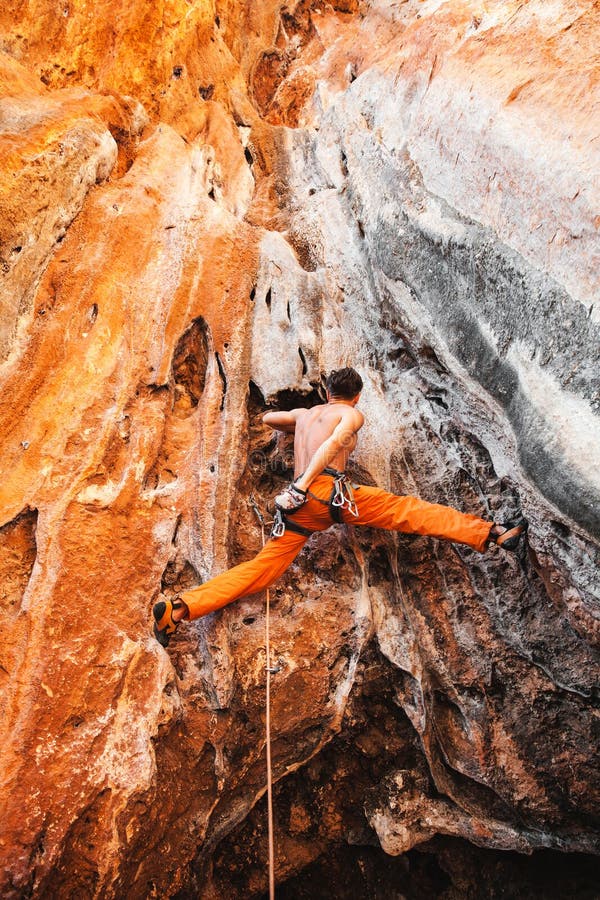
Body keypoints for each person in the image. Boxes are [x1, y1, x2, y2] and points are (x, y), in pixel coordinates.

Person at [153, 367, 527, 646]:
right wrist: (305, 482)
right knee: (408, 511)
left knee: (261, 570)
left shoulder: (304, 416)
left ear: (327, 390)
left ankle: (180, 609)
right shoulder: (351, 414)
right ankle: (492, 532)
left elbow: (268, 418)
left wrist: (299, 422)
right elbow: (333, 445)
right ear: (358, 395)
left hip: (297, 510)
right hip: (326, 493)